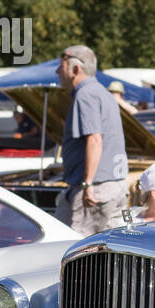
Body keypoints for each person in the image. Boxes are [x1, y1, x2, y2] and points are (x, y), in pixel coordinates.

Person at [55, 45, 128, 234]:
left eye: (61, 65)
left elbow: (95, 139)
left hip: (96, 188)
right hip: (115, 185)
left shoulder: (85, 94)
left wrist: (87, 184)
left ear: (75, 69)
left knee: (82, 252)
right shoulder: (104, 93)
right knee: (109, 252)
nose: (57, 71)